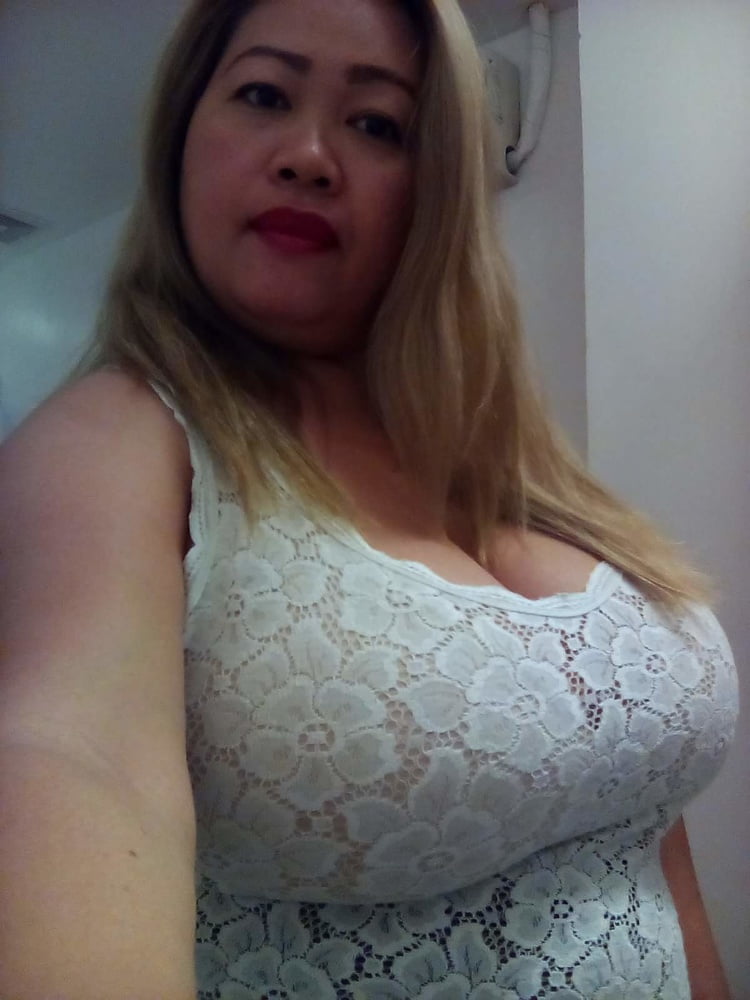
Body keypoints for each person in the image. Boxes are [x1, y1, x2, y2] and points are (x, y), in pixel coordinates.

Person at [0, 0, 738, 997]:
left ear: (437, 187)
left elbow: (647, 820)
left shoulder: (520, 472)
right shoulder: (115, 444)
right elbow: (76, 758)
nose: (309, 156)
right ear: (181, 138)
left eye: (377, 123)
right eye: (265, 95)